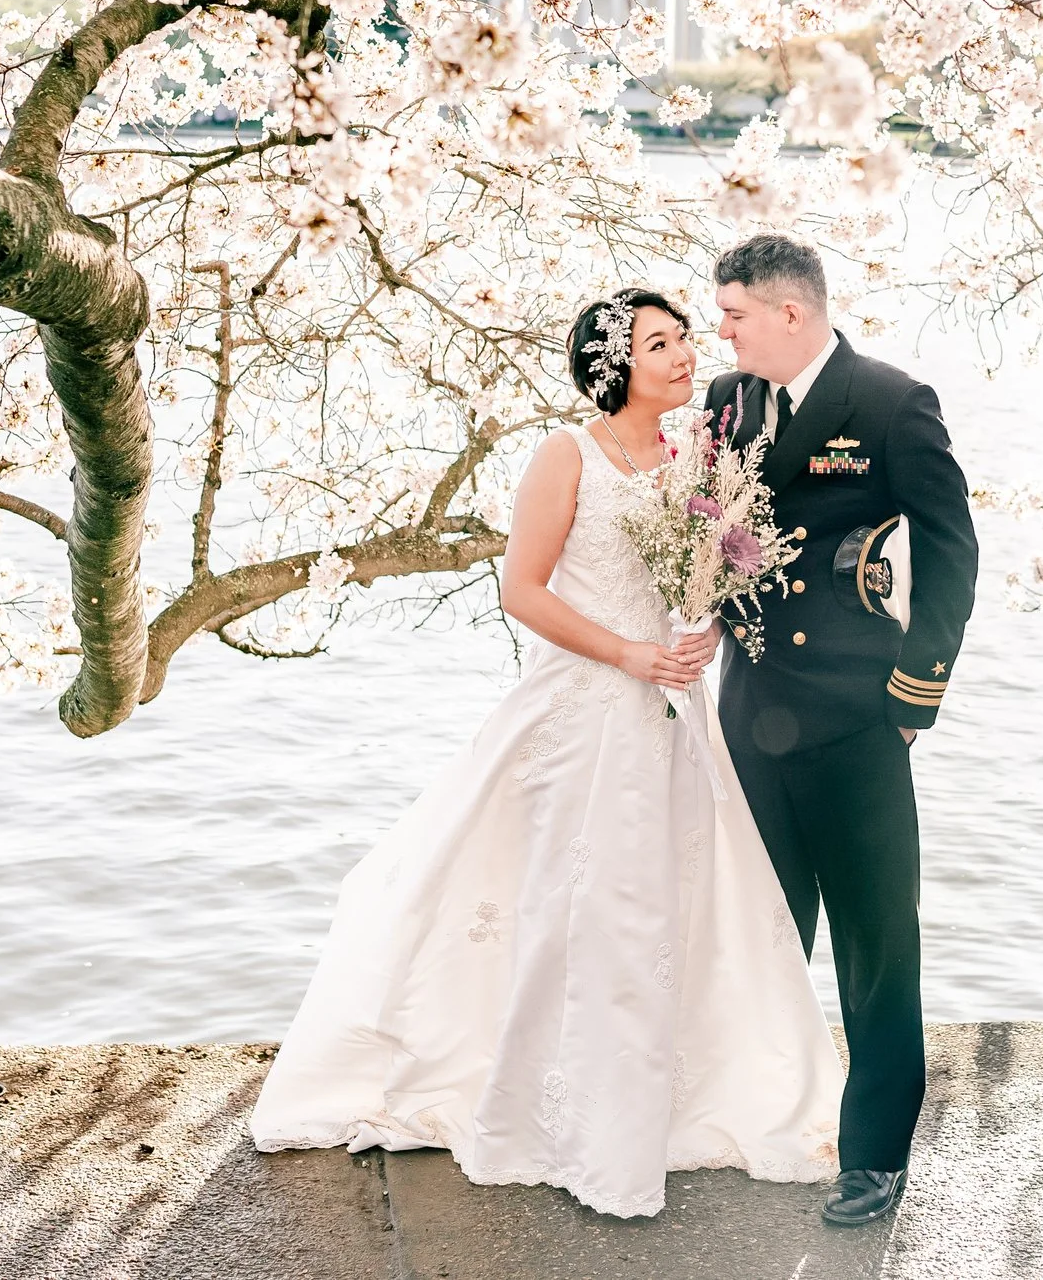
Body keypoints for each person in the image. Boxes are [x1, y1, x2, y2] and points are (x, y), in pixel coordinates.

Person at [249, 287, 842, 1219]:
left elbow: (707, 573)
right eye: (660, 343)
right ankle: (560, 1106)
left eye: (684, 337)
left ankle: (659, 1099)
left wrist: (700, 629)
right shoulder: (567, 454)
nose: (686, 354)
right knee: (586, 907)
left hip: (674, 707)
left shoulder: (697, 456)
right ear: (617, 367)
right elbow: (522, 591)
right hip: (583, 708)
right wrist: (628, 653)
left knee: (669, 902)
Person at [704, 233, 980, 1228]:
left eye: (735, 314)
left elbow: (950, 551)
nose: (723, 333)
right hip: (750, 711)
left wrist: (915, 695)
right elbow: (707, 538)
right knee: (766, 932)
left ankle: (872, 1157)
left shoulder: (891, 402)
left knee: (875, 945)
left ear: (791, 311)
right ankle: (770, 1120)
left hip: (858, 717)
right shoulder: (726, 403)